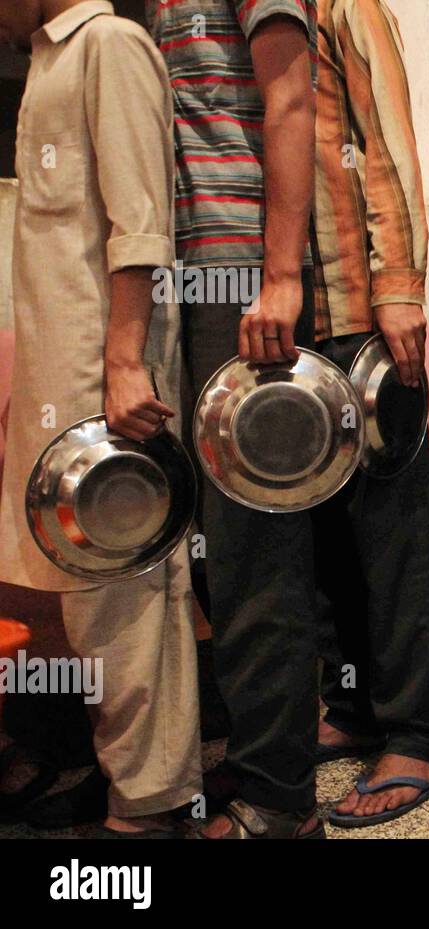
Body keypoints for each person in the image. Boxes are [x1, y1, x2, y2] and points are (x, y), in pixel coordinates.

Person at [0, 0, 202, 837]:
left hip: (103, 379)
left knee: (125, 595)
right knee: (85, 598)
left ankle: (150, 805)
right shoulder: (53, 57)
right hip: (65, 373)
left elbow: (140, 225)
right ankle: (126, 777)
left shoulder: (110, 47)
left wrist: (123, 365)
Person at [147, 0, 323, 838]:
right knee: (211, 546)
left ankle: (283, 802)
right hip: (180, 276)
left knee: (256, 550)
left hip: (241, 273)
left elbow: (291, 93)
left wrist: (280, 274)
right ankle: (256, 756)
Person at [310, 0, 429, 828]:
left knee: (392, 532)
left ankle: (416, 735)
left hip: (364, 313)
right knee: (325, 533)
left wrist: (399, 285)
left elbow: (390, 151)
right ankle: (357, 706)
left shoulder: (347, 6)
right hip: (297, 322)